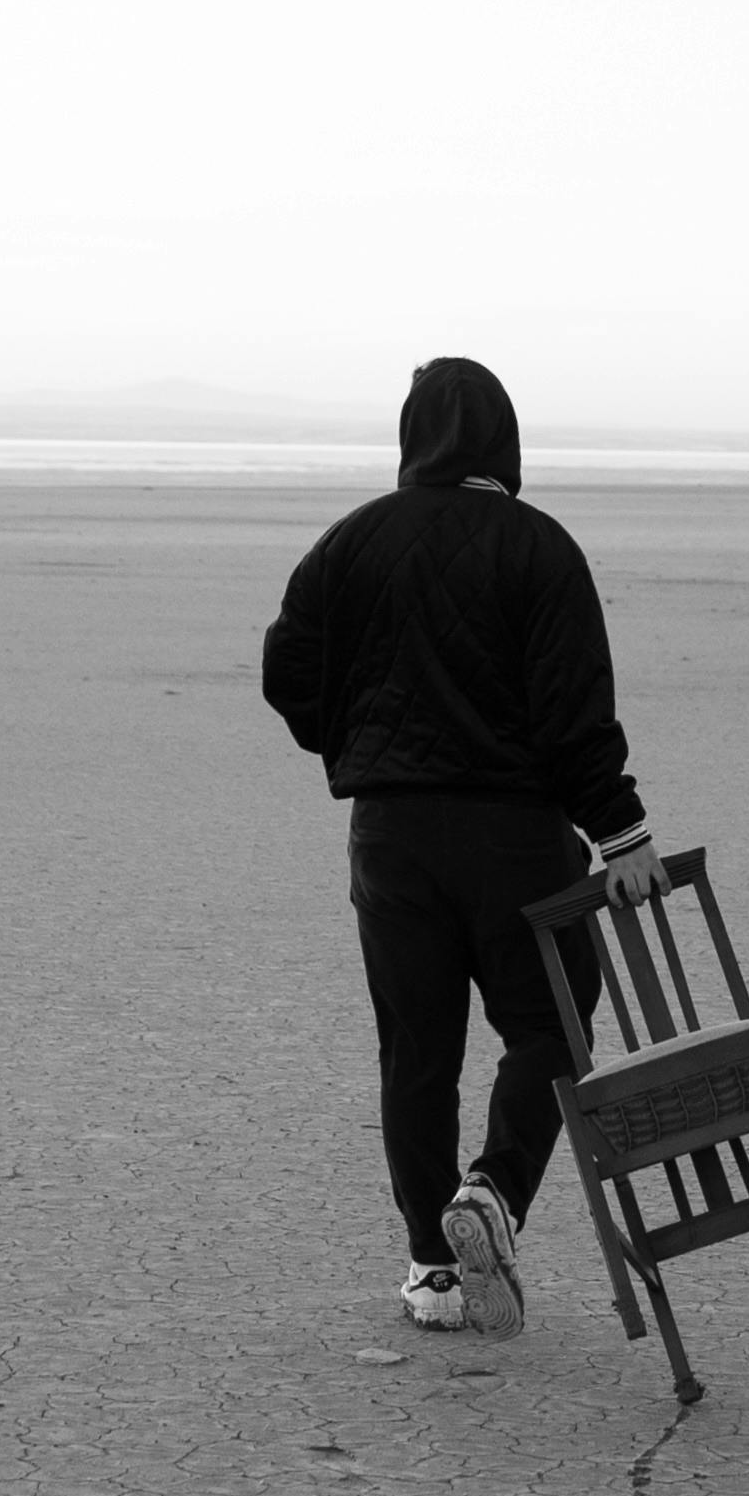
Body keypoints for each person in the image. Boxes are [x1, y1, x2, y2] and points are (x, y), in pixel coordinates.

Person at [259, 357, 660, 1337]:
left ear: (412, 436)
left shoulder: (351, 540)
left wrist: (355, 740)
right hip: (517, 835)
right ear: (502, 440)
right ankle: (492, 1191)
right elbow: (574, 709)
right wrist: (621, 831)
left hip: (390, 834)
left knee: (416, 1052)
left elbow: (286, 670)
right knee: (551, 1028)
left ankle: (432, 1272)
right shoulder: (538, 545)